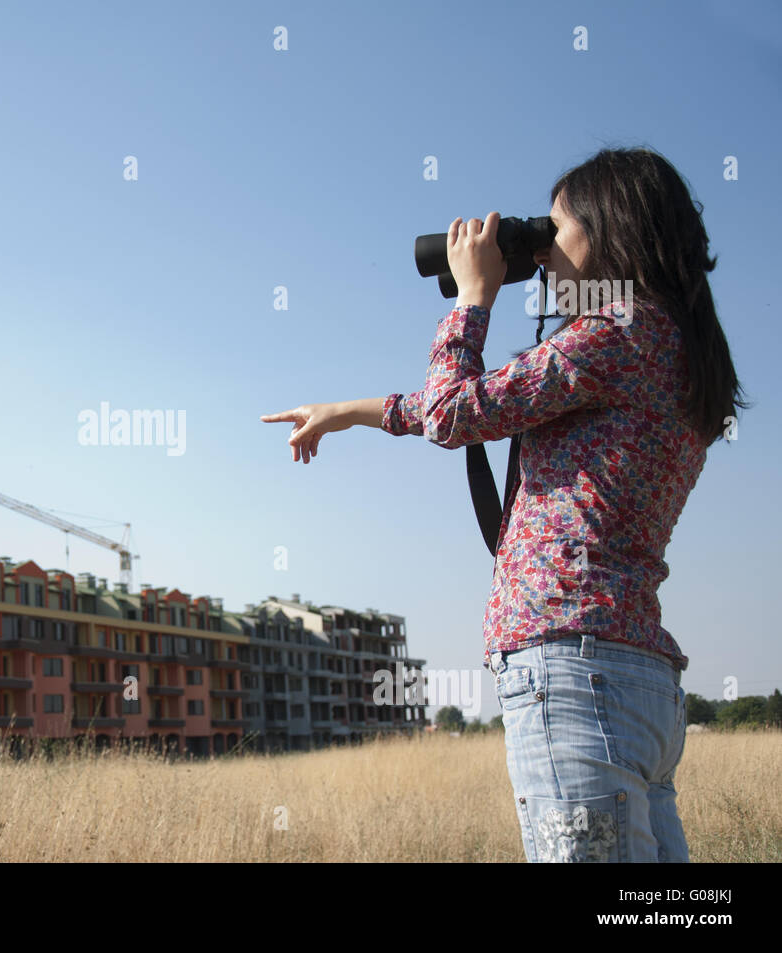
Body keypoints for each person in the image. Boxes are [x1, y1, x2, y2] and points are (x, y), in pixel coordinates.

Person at [260, 147, 748, 862]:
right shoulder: (673, 346)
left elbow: (456, 412)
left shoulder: (610, 338)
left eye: (555, 231)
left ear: (612, 230)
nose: (543, 250)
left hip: (574, 674)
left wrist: (473, 298)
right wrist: (348, 410)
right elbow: (474, 405)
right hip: (640, 679)